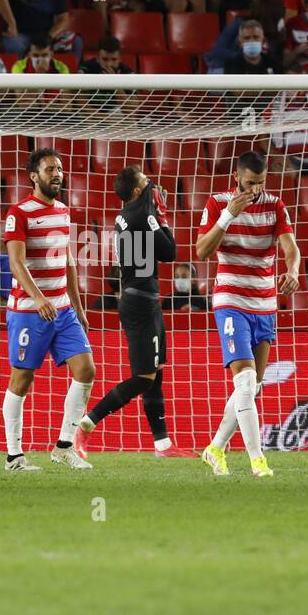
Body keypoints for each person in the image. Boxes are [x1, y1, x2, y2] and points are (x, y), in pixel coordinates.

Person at [195, 150, 300, 478]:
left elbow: (291, 248)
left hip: (265, 304)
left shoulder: (274, 204)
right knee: (243, 380)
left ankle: (214, 449)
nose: (256, 190)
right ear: (237, 178)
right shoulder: (217, 203)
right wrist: (228, 216)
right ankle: (258, 461)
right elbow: (201, 251)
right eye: (250, 183)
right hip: (230, 301)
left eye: (261, 183)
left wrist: (293, 270)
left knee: (251, 387)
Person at [75, 166, 184, 458]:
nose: (152, 186)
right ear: (137, 192)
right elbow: (170, 252)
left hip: (144, 298)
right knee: (143, 378)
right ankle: (85, 426)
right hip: (140, 304)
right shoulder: (142, 215)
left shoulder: (125, 215)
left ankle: (162, 444)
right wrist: (161, 216)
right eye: (146, 183)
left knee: (156, 373)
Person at [0, 148, 97, 472]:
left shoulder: (63, 211)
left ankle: (64, 447)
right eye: (50, 169)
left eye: (59, 169)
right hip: (29, 309)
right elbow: (15, 262)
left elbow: (67, 259)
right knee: (22, 379)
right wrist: (39, 297)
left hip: (64, 309)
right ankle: (14, 456)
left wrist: (78, 305)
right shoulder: (20, 212)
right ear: (34, 176)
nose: (57, 174)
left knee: (86, 370)